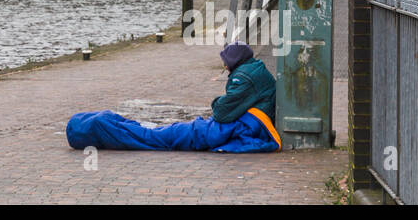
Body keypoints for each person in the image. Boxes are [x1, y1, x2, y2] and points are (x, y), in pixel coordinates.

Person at [65, 43, 281, 153]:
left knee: (158, 137)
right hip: (235, 126)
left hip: (223, 129)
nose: (224, 65)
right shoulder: (253, 70)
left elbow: (221, 112)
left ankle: (99, 125)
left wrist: (217, 102)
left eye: (226, 61)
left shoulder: (243, 77)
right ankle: (103, 124)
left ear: (234, 61)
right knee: (158, 133)